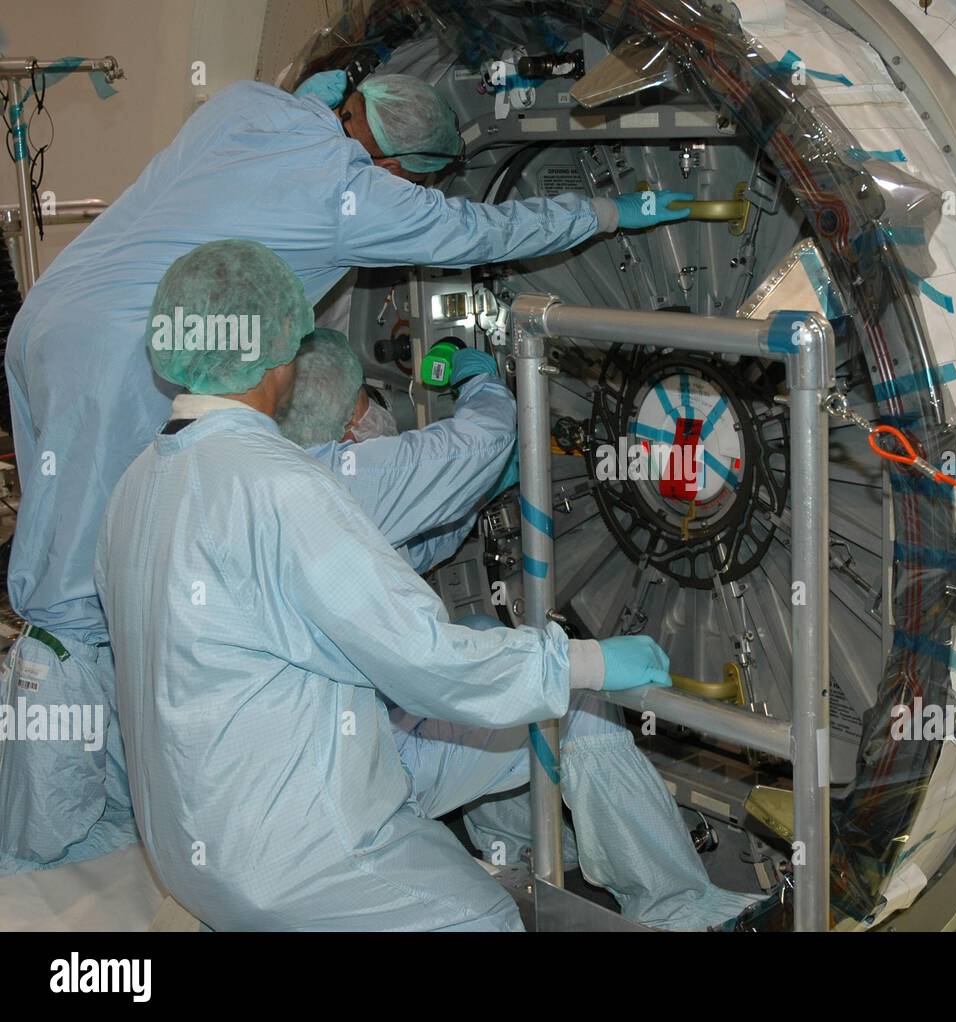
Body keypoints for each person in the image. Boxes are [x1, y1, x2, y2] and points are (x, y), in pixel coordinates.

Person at [1, 70, 690, 872]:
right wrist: (603, 217)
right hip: (112, 374)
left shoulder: (248, 105)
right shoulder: (351, 214)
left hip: (48, 318)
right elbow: (479, 233)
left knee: (77, 564)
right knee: (78, 611)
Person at [94, 239, 679, 931]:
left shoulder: (137, 484)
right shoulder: (281, 486)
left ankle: (524, 855)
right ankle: (674, 905)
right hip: (296, 854)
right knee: (485, 921)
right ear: (278, 353)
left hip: (188, 847)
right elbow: (424, 658)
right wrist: (585, 662)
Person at [276, 330, 760, 929]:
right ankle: (677, 907)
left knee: (482, 625)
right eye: (361, 406)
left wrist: (475, 499)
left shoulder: (282, 485)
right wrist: (483, 383)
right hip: (364, 783)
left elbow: (403, 542)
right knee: (575, 701)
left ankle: (517, 842)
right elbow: (476, 445)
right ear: (343, 430)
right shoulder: (343, 478)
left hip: (313, 766)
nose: (373, 415)